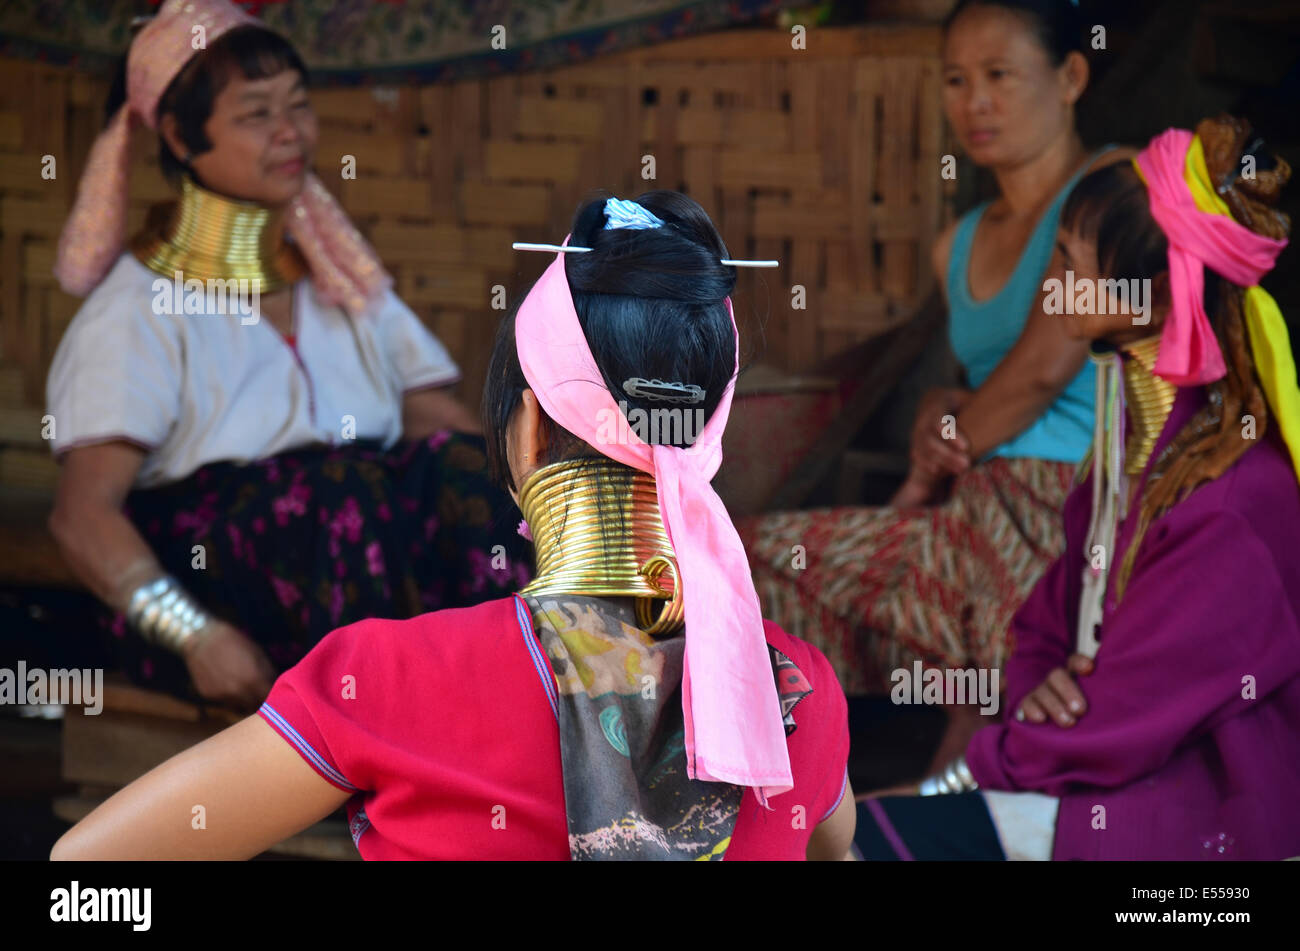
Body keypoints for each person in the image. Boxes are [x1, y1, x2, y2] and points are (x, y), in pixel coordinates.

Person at [49, 191, 856, 861]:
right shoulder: (799, 697)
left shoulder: (389, 678)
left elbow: (85, 873)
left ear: (529, 430)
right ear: (710, 432)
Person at [44, 0, 531, 712]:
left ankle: (522, 712)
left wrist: (535, 484)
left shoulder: (341, 280)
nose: (290, 133)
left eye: (298, 107)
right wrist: (192, 632)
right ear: (179, 135)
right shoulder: (136, 309)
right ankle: (376, 743)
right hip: (214, 597)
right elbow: (81, 516)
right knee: (342, 493)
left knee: (469, 469)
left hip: (358, 543)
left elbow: (435, 420)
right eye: (255, 115)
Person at [855, 115, 1300, 860]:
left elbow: (1125, 721)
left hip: (1184, 821)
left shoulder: (1233, 501)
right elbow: (1042, 624)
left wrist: (966, 770)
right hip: (1078, 774)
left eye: (1068, 262)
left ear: (1156, 291)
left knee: (859, 839)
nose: (1050, 286)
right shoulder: (1127, 462)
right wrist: (1035, 684)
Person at [736, 0, 1134, 766]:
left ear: (1072, 76)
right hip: (976, 506)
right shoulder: (958, 243)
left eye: (998, 75)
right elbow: (975, 392)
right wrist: (938, 414)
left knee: (986, 631)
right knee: (750, 563)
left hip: (1077, 504)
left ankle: (965, 765)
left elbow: (1041, 372)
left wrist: (937, 453)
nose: (974, 102)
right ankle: (793, 785)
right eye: (955, 79)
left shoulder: (1111, 188)